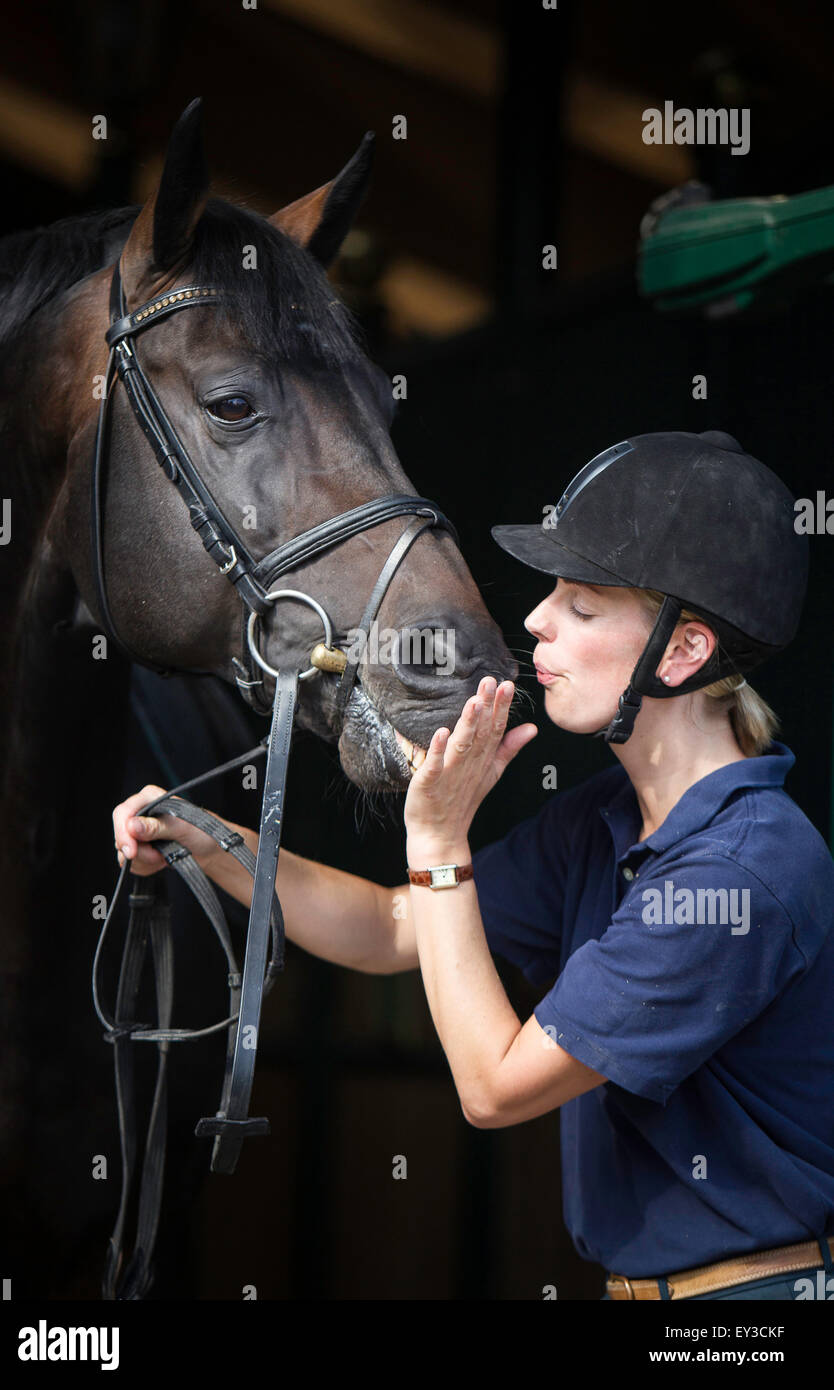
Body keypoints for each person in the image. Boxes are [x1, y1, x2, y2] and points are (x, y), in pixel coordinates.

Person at [113, 430, 834, 1302]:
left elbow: (494, 1088)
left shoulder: (737, 873)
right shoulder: (600, 821)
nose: (535, 619)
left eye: (584, 604)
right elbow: (390, 927)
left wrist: (441, 844)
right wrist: (203, 834)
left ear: (683, 653)